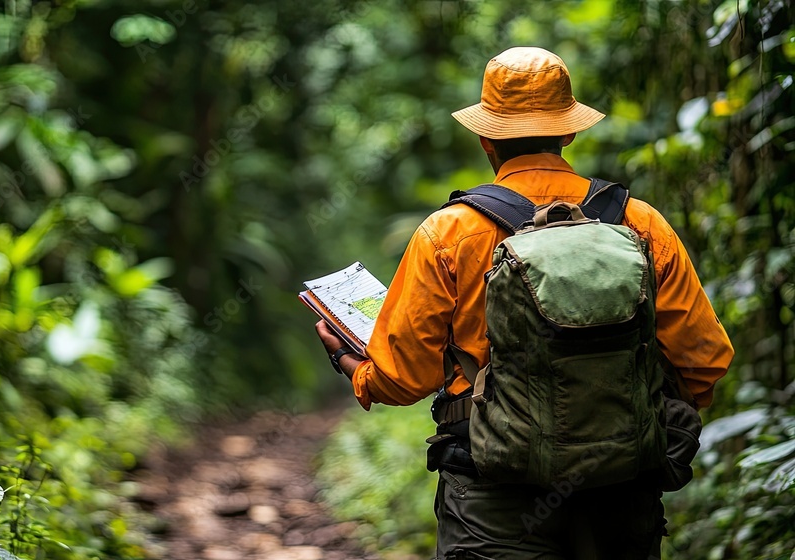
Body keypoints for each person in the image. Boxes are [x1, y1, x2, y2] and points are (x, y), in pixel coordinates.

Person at [314, 46, 734, 559]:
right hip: (620, 498)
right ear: (570, 131)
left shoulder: (450, 233)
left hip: (493, 498)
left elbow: (403, 380)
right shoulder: (639, 224)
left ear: (486, 137)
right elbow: (706, 362)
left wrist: (352, 363)